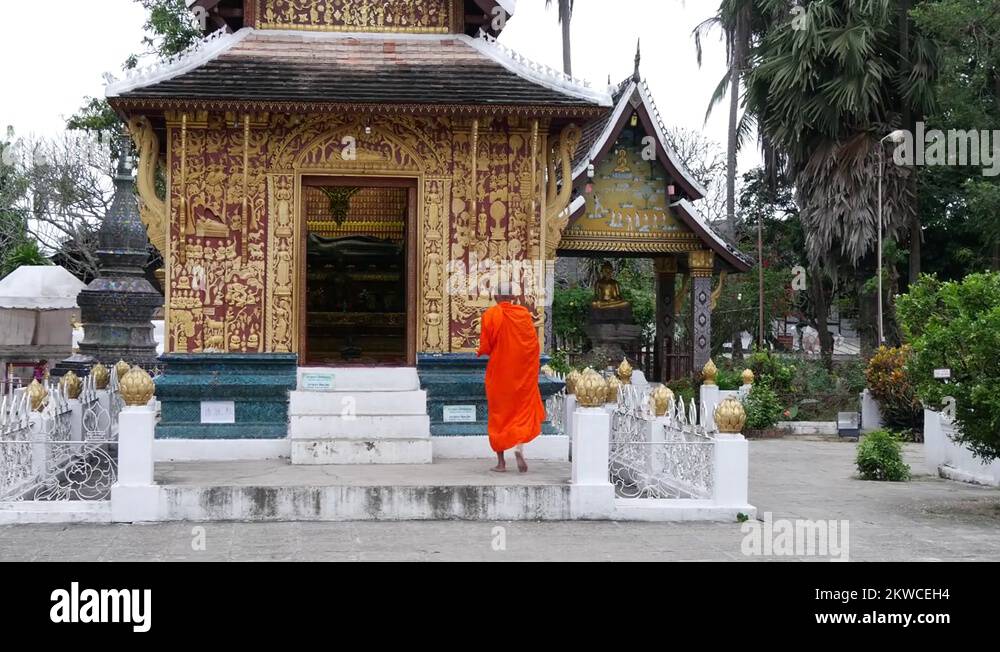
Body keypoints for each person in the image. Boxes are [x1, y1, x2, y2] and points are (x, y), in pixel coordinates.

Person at [476, 292, 545, 473]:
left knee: (499, 414)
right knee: (521, 410)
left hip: (499, 372)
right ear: (512, 298)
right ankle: (519, 447)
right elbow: (533, 345)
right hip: (521, 373)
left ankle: (501, 463)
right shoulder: (522, 314)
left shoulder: (491, 315)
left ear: (495, 297)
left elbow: (486, 345)